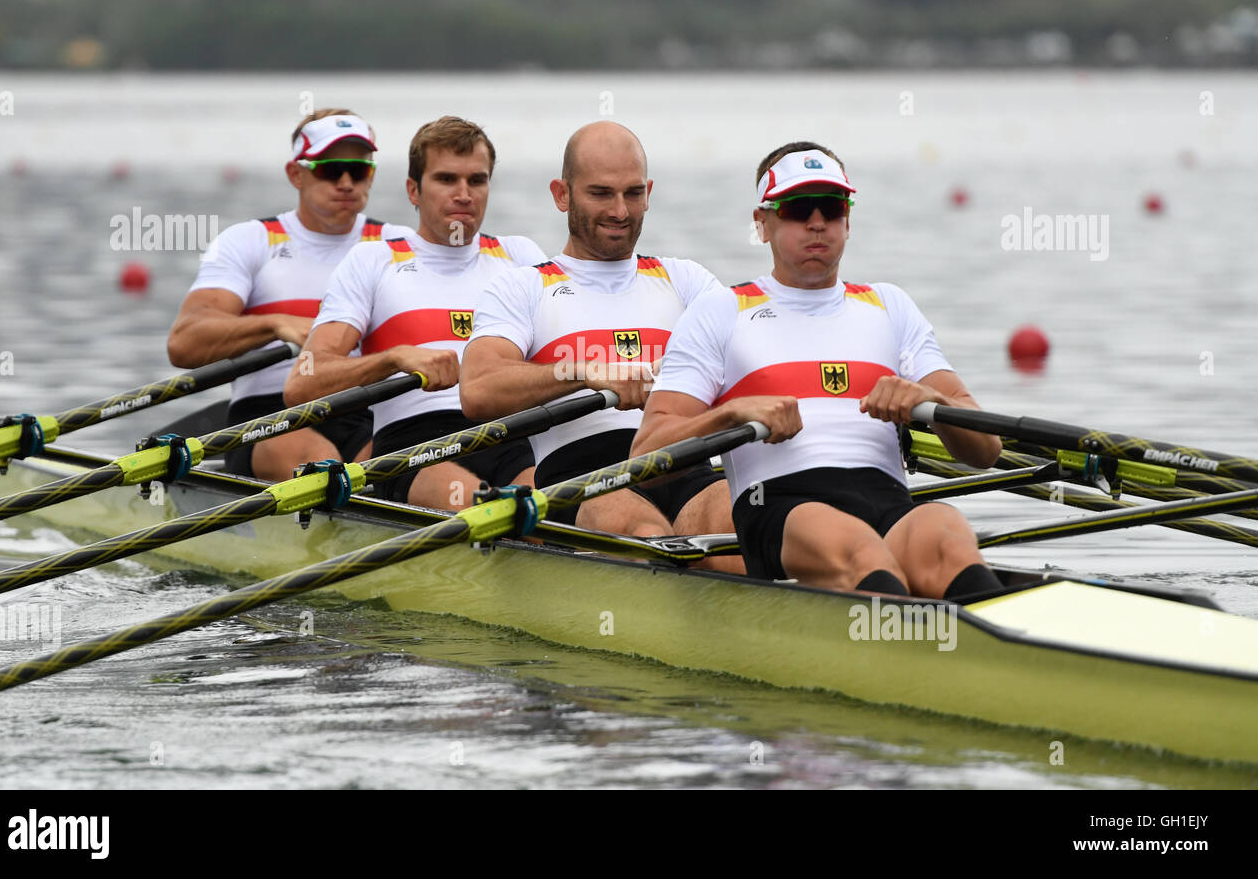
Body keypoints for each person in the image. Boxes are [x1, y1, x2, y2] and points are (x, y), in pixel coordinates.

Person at [630, 142, 1003, 600]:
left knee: (949, 533)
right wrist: (732, 414)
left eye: (831, 207)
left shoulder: (889, 306)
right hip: (781, 507)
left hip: (888, 502)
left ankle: (1007, 651)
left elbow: (985, 450)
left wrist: (934, 404)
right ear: (762, 223)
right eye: (798, 208)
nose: (816, 223)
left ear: (847, 219)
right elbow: (645, 459)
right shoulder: (721, 312)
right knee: (860, 552)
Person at [460, 121, 739, 568]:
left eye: (632, 193)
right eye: (601, 193)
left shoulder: (687, 281)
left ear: (649, 192)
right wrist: (581, 372)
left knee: (742, 517)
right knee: (647, 536)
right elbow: (477, 390)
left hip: (684, 463)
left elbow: (754, 359)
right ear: (562, 194)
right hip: (581, 478)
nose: (620, 211)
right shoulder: (523, 287)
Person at [283, 116, 546, 510]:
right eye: (446, 180)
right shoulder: (374, 260)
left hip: (509, 437)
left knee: (552, 517)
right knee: (481, 508)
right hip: (414, 447)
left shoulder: (520, 257)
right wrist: (393, 359)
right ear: (413, 190)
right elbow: (302, 385)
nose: (464, 194)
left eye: (477, 180)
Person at [167, 109, 408, 481]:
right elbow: (184, 344)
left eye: (358, 171)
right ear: (296, 173)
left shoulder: (399, 245)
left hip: (368, 411)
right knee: (320, 463)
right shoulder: (250, 241)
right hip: (268, 420)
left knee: (403, 457)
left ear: (370, 175)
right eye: (330, 169)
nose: (346, 182)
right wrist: (275, 324)